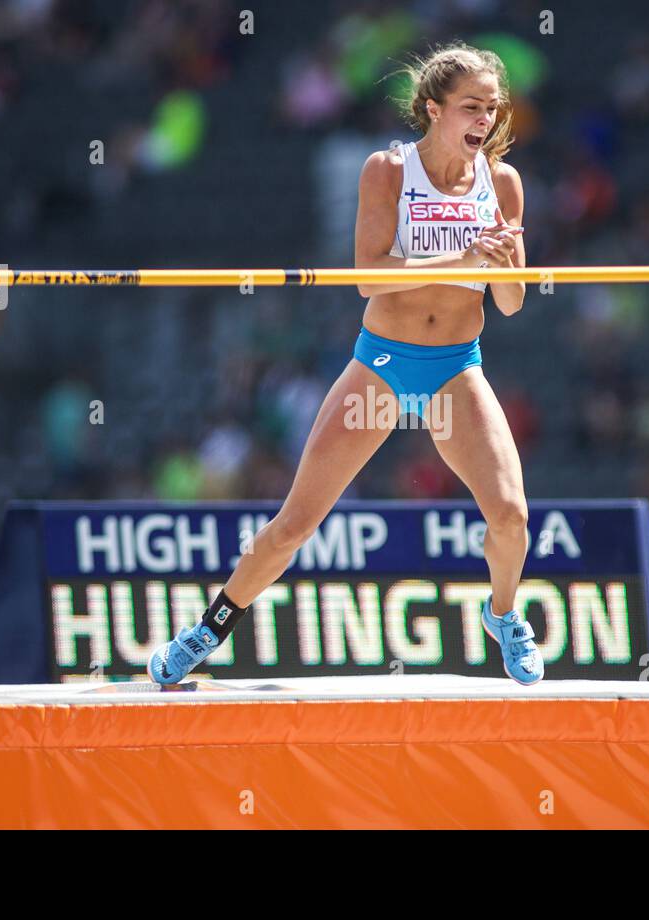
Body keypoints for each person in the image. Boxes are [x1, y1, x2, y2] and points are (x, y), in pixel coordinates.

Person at [149, 43, 542, 685]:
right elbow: (368, 278)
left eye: (492, 109)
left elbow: (512, 302)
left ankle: (503, 616)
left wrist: (501, 266)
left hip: (455, 370)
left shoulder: (502, 184)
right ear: (433, 109)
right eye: (470, 107)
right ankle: (205, 631)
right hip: (382, 368)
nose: (484, 120)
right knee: (295, 523)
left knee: (511, 515)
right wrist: (466, 258)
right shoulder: (387, 170)